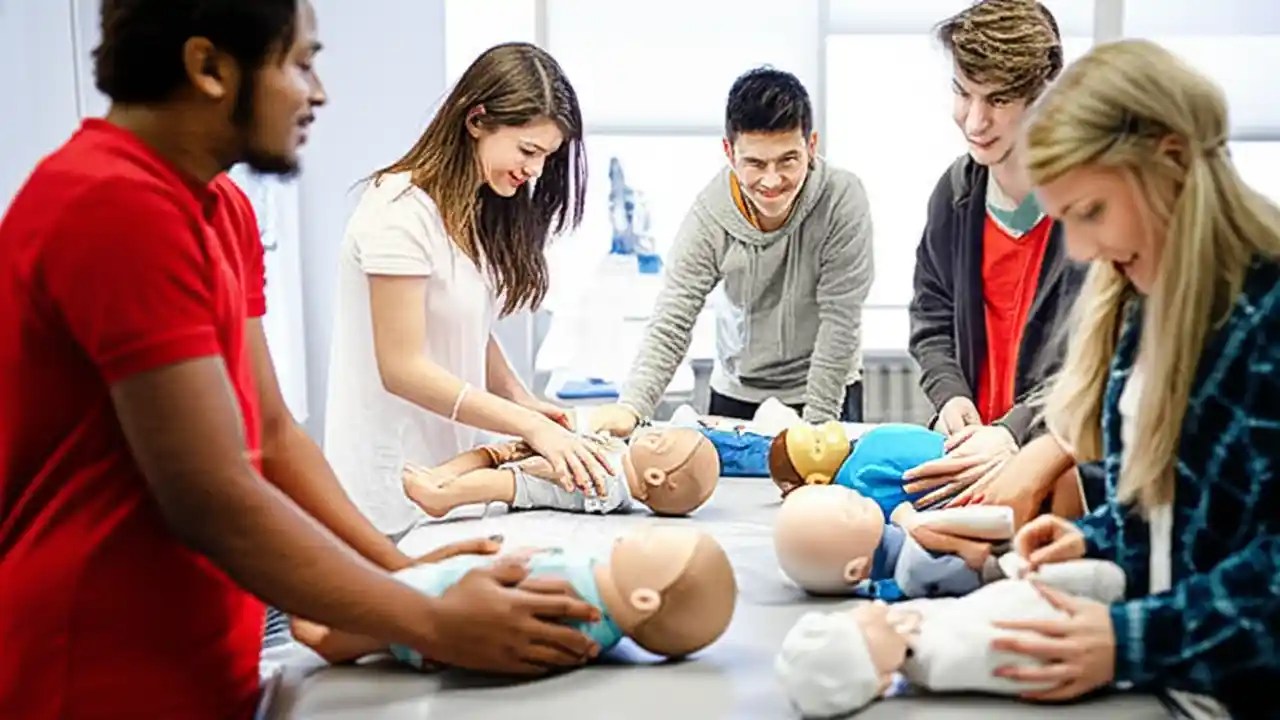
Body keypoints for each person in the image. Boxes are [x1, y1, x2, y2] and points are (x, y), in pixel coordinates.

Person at [0, 4, 598, 718]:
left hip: (204, 664)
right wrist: (430, 618)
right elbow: (210, 493)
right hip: (94, 674)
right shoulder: (109, 203)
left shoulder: (221, 208)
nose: (319, 92)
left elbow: (274, 436)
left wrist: (406, 576)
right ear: (208, 67)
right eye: (300, 61)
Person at [974, 39, 1280, 717]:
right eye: (1065, 222)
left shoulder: (1268, 318)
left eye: (1091, 213)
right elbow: (1175, 516)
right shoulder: (1146, 306)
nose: (1083, 252)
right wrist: (1097, 536)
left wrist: (1129, 640)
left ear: (1171, 160)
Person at [324, 42, 612, 539]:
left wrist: (521, 400)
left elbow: (467, 324)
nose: (536, 171)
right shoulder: (397, 210)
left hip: (448, 476)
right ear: (476, 120)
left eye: (547, 156)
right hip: (387, 486)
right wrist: (529, 427)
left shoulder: (474, 210)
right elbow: (402, 367)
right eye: (528, 151)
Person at [590, 67, 874, 435]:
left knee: (826, 492)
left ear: (811, 146)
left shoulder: (842, 198)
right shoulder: (710, 215)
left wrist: (816, 429)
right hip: (739, 393)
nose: (771, 181)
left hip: (825, 389)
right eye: (754, 163)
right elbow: (673, 319)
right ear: (729, 152)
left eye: (788, 160)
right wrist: (631, 408)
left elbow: (841, 318)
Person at [903, 0, 1086, 506]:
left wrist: (1015, 430)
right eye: (963, 92)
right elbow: (931, 314)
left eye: (999, 100)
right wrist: (950, 394)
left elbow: (1100, 360)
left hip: (1061, 461)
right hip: (971, 455)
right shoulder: (956, 194)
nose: (975, 120)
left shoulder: (1094, 205)